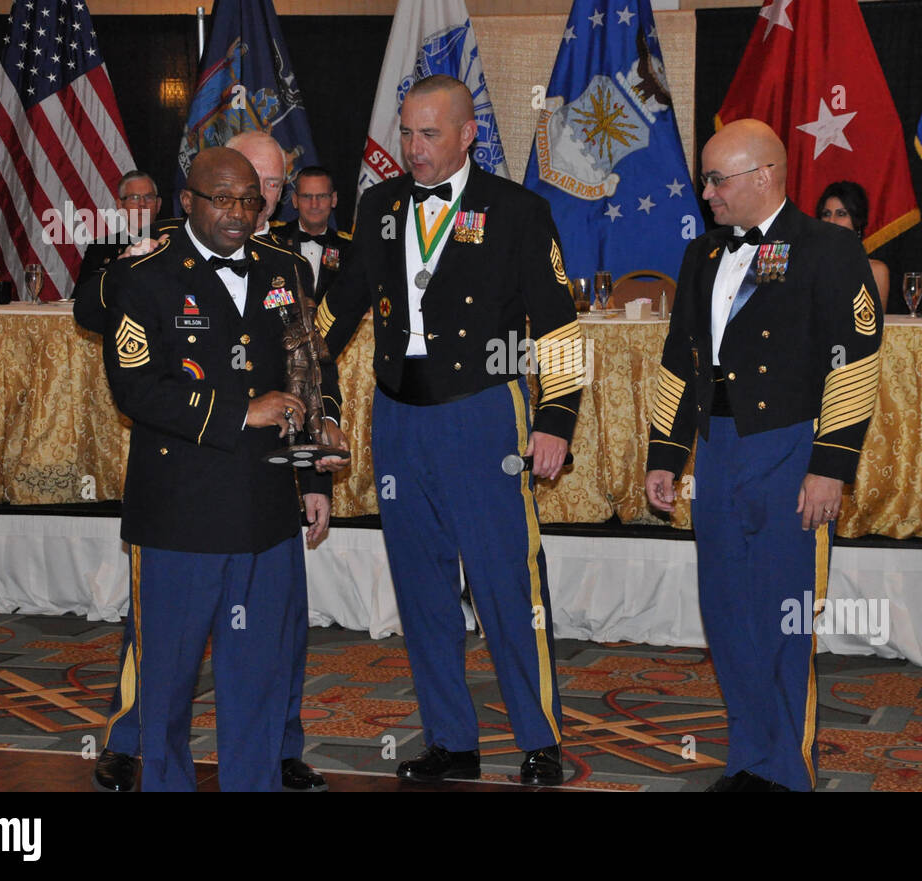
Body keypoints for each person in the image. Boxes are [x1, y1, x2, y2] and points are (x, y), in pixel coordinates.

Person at [314, 75, 580, 786]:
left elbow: (557, 325)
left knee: (505, 581)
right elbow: (334, 313)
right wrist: (303, 381)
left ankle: (540, 736)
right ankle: (451, 738)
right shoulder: (378, 207)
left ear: (468, 134)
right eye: (406, 132)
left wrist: (555, 419)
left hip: (483, 413)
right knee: (421, 585)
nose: (414, 147)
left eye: (429, 133)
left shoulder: (518, 210)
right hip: (400, 415)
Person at [80, 136, 331, 792]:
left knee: (259, 677)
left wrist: (316, 462)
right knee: (166, 681)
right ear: (187, 200)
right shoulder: (143, 276)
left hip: (266, 509)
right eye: (221, 198)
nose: (238, 213)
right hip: (180, 516)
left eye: (250, 200)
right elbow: (137, 390)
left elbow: (309, 368)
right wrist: (241, 411)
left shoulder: (286, 269)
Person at [645, 120, 882, 792]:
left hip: (790, 450)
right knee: (726, 613)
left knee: (783, 616)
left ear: (766, 176)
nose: (707, 192)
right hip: (717, 452)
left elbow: (856, 362)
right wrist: (666, 453)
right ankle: (748, 758)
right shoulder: (701, 255)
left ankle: (787, 769)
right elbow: (677, 360)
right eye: (705, 179)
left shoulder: (827, 249)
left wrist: (830, 464)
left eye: (719, 179)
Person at [70, 170, 164, 299]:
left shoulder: (172, 244)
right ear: (120, 205)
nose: (142, 204)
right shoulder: (100, 248)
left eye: (148, 197)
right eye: (134, 198)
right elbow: (81, 297)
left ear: (158, 204)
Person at [816, 180, 890, 311]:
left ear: (857, 221)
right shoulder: (808, 266)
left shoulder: (876, 271)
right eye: (826, 214)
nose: (831, 221)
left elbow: (876, 327)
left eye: (841, 214)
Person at [280, 167, 351, 302]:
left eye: (322, 196)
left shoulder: (349, 250)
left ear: (334, 199)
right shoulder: (275, 241)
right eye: (307, 196)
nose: (314, 204)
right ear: (295, 200)